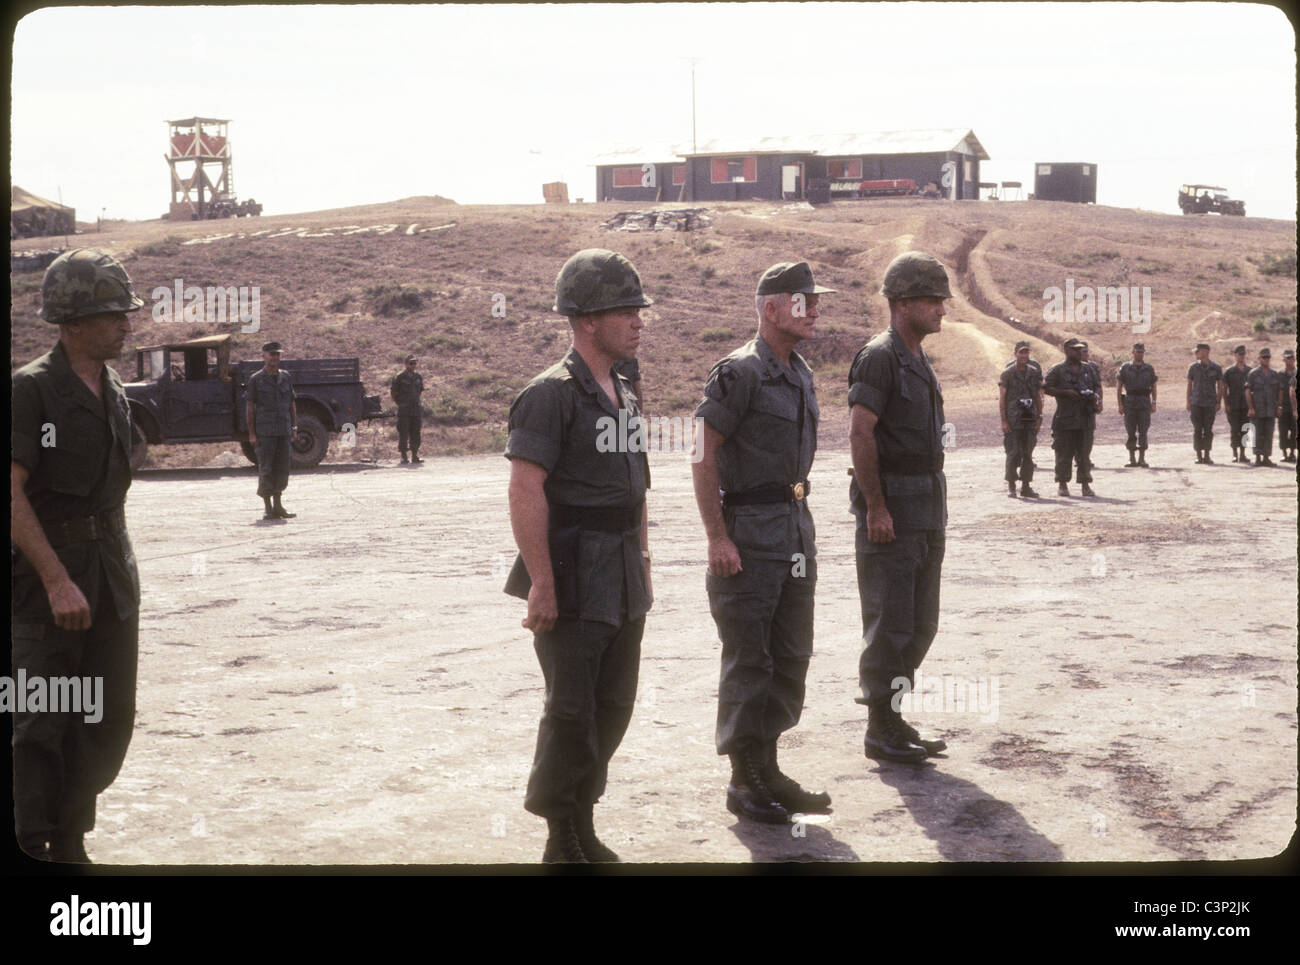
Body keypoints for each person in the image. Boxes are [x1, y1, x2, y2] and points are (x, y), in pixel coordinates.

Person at [504, 249, 652, 863]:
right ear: (588, 319)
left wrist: (644, 556)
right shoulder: (549, 395)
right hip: (574, 564)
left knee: (613, 705)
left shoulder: (625, 389)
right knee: (571, 709)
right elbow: (525, 487)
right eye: (625, 311)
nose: (639, 321)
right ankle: (561, 834)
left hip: (621, 566)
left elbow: (639, 481)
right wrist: (542, 583)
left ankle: (583, 817)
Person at [10, 248, 145, 862]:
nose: (126, 322)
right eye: (113, 313)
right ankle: (36, 842)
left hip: (111, 575)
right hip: (46, 583)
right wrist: (57, 580)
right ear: (72, 323)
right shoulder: (31, 390)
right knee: (43, 717)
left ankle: (70, 831)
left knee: (107, 713)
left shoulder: (112, 385)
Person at [692, 261, 833, 822]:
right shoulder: (739, 372)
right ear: (772, 308)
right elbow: (703, 454)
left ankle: (768, 768)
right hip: (748, 531)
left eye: (816, 300)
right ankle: (743, 778)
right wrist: (716, 537)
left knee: (790, 654)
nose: (815, 309)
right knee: (750, 657)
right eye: (804, 301)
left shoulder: (798, 372)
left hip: (796, 525)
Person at [848, 251, 952, 763]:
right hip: (893, 508)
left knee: (921, 621)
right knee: (890, 621)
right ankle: (879, 726)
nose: (941, 308)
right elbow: (860, 431)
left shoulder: (917, 358)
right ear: (903, 302)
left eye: (941, 299)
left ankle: (893, 715)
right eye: (932, 299)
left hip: (927, 505)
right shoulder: (881, 355)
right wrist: (875, 507)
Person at [1043, 337, 1100, 497]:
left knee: (1084, 453)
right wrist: (1065, 393)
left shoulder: (1089, 369)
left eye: (1080, 349)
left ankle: (1085, 485)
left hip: (1085, 417)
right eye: (1075, 349)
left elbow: (1097, 386)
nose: (1078, 352)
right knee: (1063, 453)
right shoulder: (1057, 370)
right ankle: (1062, 484)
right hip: (1065, 418)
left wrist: (1097, 399)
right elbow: (1046, 387)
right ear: (1067, 351)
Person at [998, 340, 1044, 497]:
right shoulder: (1008, 373)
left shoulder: (1033, 372)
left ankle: (1026, 486)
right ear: (1015, 354)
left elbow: (1038, 396)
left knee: (1028, 453)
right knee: (1013, 452)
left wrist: (1039, 417)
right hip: (1013, 418)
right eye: (1021, 352)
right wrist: (1004, 420)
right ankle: (1011, 485)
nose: (1024, 355)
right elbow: (1002, 398)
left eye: (1026, 352)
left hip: (1030, 418)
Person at [1117, 342, 1158, 467]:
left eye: (1141, 352)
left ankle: (1142, 458)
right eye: (1137, 351)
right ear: (1132, 352)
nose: (1139, 354)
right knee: (1130, 430)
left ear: (1143, 353)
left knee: (1143, 430)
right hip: (1130, 401)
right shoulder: (1125, 368)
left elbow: (1154, 386)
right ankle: (1131, 459)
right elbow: (1119, 387)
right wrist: (1120, 405)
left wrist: (1154, 402)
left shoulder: (1149, 368)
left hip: (1144, 401)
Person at [1185, 342, 1223, 464]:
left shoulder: (1216, 368)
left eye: (1198, 351)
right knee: (1197, 429)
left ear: (1206, 352)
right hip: (1196, 403)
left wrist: (1218, 402)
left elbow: (1220, 386)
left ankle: (1207, 455)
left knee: (1208, 429)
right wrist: (1188, 401)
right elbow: (1189, 385)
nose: (1196, 353)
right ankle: (1198, 455)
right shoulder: (1193, 367)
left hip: (1209, 403)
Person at [1245, 347, 1280, 467]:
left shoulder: (1274, 374)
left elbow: (1279, 391)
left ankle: (1266, 457)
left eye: (1268, 357)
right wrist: (1250, 407)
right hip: (1257, 409)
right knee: (1257, 433)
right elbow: (1248, 391)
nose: (1266, 359)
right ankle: (1258, 457)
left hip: (1270, 409)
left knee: (1268, 433)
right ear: (1259, 358)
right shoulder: (1253, 374)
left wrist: (1278, 406)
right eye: (1264, 357)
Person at [391, 354, 424, 464]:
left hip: (415, 409)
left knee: (416, 433)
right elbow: (394, 393)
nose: (413, 365)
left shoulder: (418, 376)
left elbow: (419, 391)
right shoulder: (399, 377)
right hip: (404, 410)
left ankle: (415, 455)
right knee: (403, 433)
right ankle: (404, 456)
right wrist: (401, 403)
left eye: (415, 363)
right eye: (411, 363)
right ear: (405, 364)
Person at [1222, 345, 1251, 463]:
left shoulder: (1250, 371)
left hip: (1246, 405)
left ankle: (1243, 454)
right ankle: (1235, 454)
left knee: (1245, 429)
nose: (1241, 356)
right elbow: (1224, 388)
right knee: (1234, 430)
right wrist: (1226, 404)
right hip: (1233, 405)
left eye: (1243, 354)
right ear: (1235, 355)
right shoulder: (1229, 371)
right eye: (1239, 354)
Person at [1277, 348, 1297, 463]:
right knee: (1283, 431)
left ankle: (1292, 453)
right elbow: (1276, 391)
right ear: (1283, 360)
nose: (1289, 360)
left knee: (1294, 431)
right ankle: (1284, 453)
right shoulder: (1279, 374)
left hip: (1295, 408)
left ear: (1294, 359)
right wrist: (1277, 406)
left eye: (1291, 358)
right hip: (1283, 407)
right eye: (1287, 358)